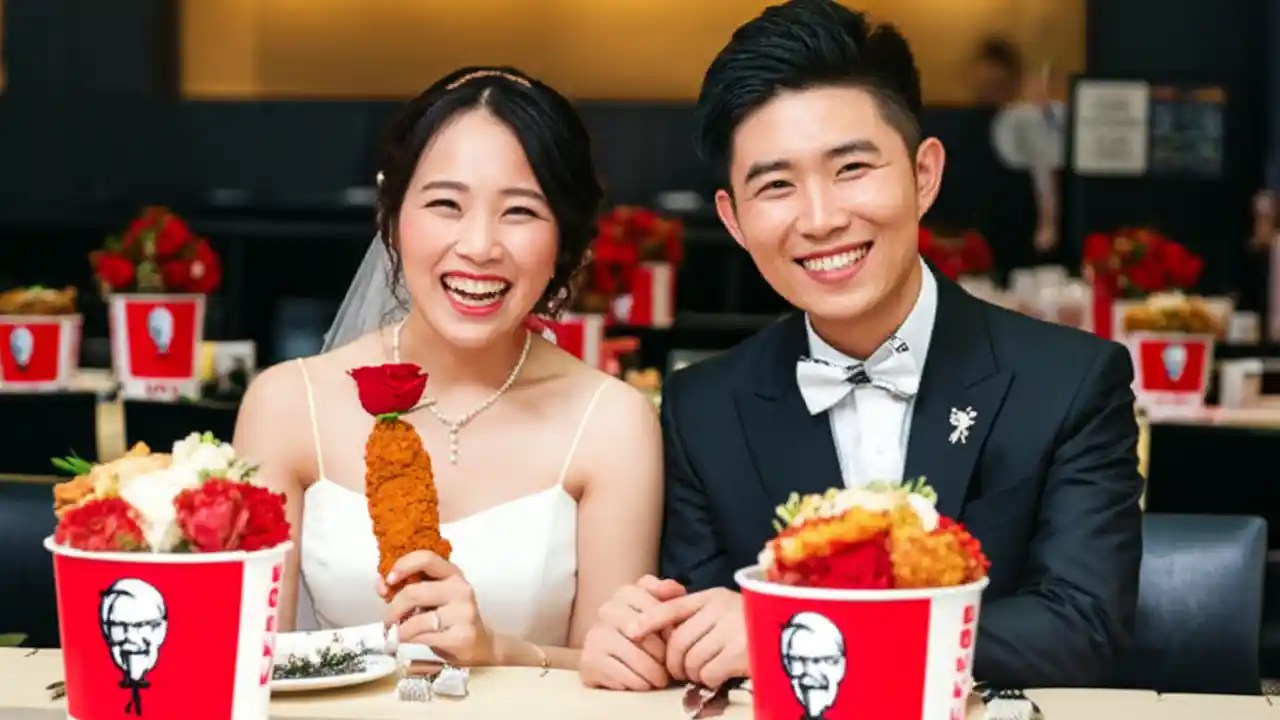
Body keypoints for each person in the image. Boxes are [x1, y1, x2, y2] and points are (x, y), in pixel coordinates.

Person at [580, 0, 1142, 691]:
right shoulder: (703, 406)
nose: (821, 219)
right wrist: (644, 636)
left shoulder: (1068, 381)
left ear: (924, 175)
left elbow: (1082, 628)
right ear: (732, 218)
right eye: (777, 185)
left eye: (851, 169)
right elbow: (700, 638)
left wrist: (797, 633)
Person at [233, 66, 663, 671]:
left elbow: (618, 671)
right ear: (393, 217)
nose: (480, 246)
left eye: (519, 212)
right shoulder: (285, 405)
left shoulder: (613, 422)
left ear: (563, 240)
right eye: (445, 204)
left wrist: (497, 652)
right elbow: (245, 661)